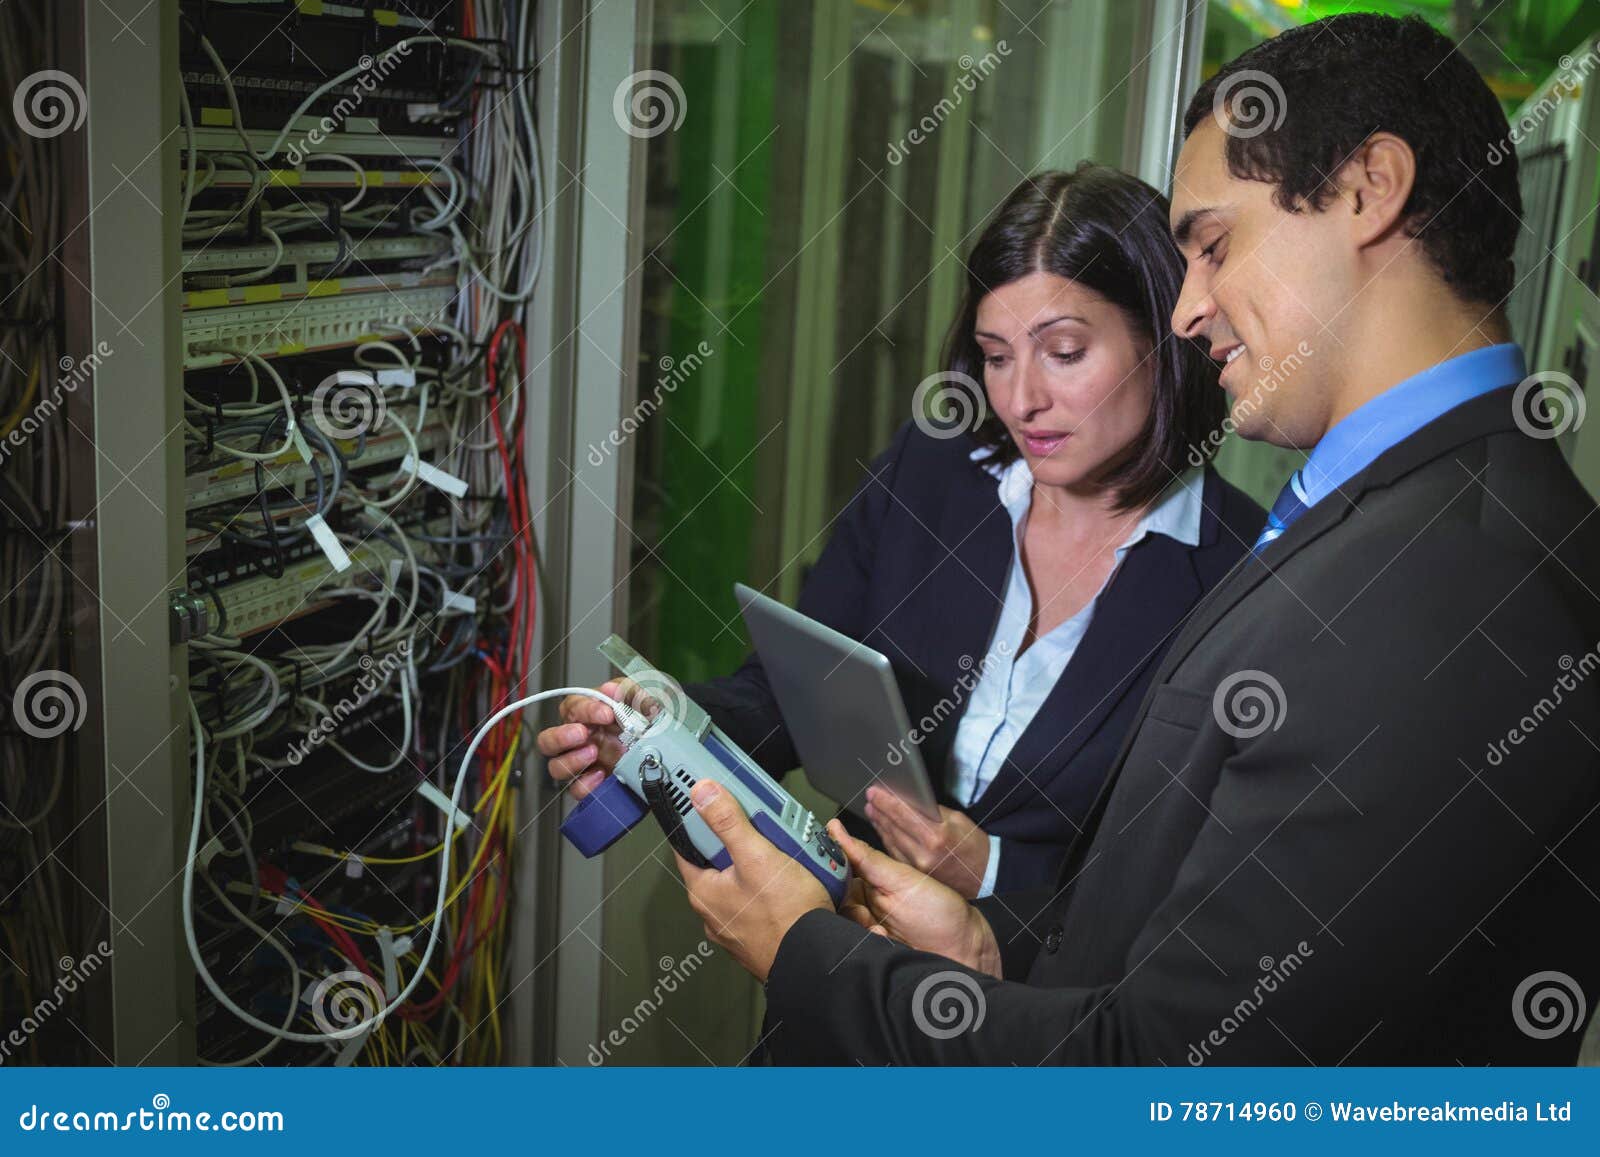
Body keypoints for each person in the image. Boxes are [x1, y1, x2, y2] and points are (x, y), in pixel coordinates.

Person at [661, 13, 1600, 1064]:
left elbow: (1166, 1072)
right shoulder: (1407, 516)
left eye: (1211, 244)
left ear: (1365, 189)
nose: (1190, 307)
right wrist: (982, 943)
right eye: (994, 354)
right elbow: (1181, 944)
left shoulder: (1447, 584)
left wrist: (802, 949)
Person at [539, 164, 1262, 898]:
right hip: (843, 960)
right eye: (996, 356)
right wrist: (666, 729)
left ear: (1163, 336)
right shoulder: (934, 470)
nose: (1021, 399)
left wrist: (996, 874)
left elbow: (1204, 890)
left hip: (1042, 1004)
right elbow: (789, 693)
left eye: (1065, 352)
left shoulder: (1243, 573)